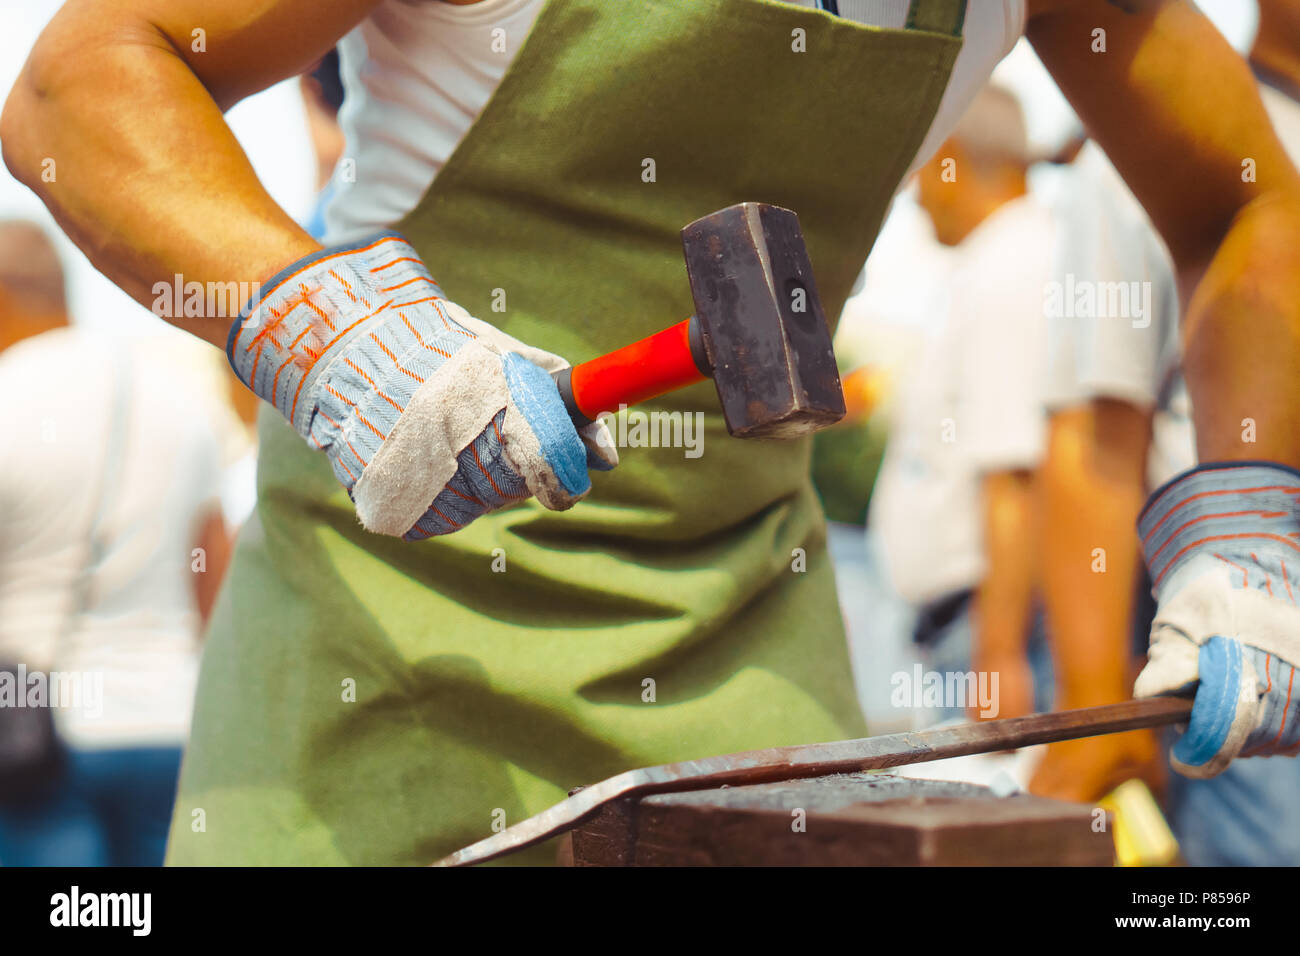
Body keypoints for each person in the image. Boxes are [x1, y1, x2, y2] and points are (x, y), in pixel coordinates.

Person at [5, 0, 1300, 866]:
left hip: (746, 653)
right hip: (369, 654)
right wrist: (334, 332)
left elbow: (1246, 209)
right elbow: (76, 88)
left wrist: (1245, 515)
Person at [0, 220, 230, 866]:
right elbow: (216, 581)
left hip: (44, 739)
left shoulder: (7, 399)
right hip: (173, 731)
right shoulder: (180, 398)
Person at [871, 84, 1054, 725]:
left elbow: (1015, 473)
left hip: (995, 630)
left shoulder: (1011, 272)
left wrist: (998, 658)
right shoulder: (1003, 265)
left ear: (947, 153)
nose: (914, 193)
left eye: (919, 168)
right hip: (977, 627)